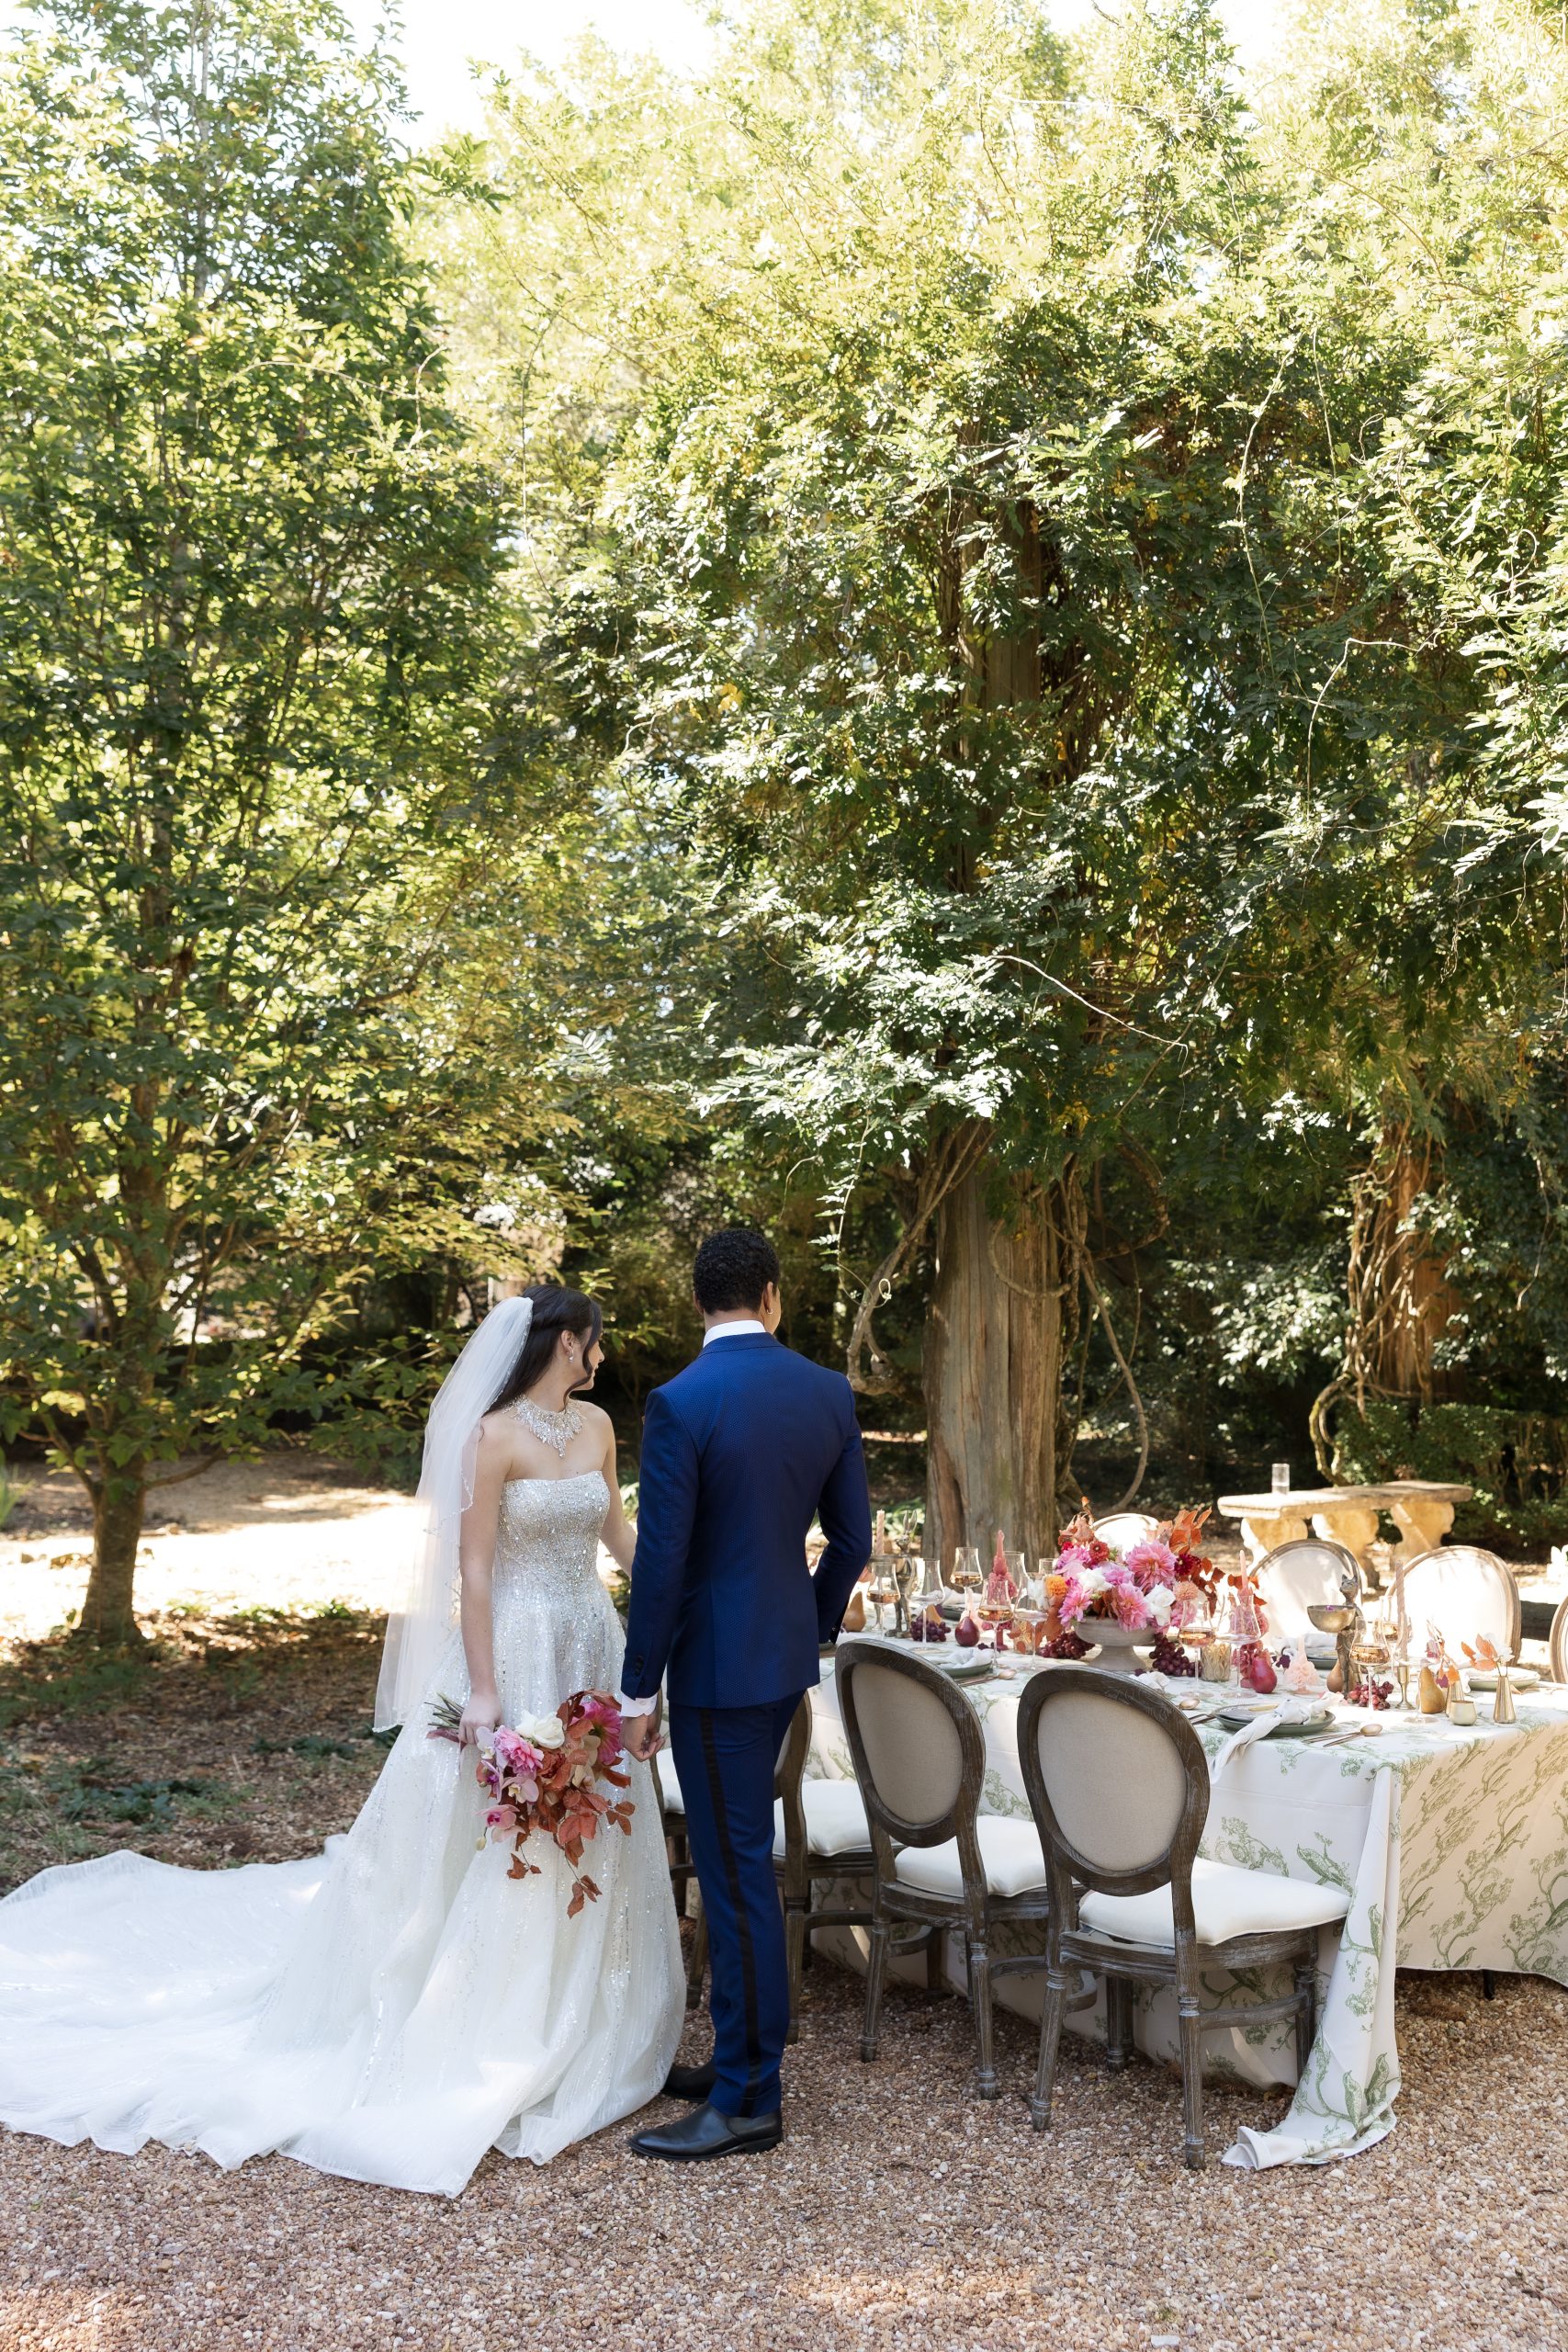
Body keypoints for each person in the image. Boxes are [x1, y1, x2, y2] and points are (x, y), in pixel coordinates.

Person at [0, 1287, 683, 2196]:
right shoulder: (490, 1436)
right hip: (517, 1644)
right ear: (567, 1341)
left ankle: (589, 2017)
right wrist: (484, 1691)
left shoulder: (596, 1427)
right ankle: (501, 2025)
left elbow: (618, 1536)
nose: (602, 1353)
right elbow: (475, 1569)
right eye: (595, 1339)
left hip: (588, 1638)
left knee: (590, 1815)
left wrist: (672, 1604)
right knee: (504, 1827)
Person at [620, 1227, 872, 2162]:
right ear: (771, 1295)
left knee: (732, 1879)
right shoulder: (826, 1390)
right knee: (739, 1867)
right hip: (778, 1664)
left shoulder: (680, 1402)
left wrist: (638, 1687)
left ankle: (749, 2098)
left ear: (699, 1301)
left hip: (717, 1674)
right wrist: (809, 1624)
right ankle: (737, 2056)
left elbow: (662, 1563)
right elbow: (852, 1541)